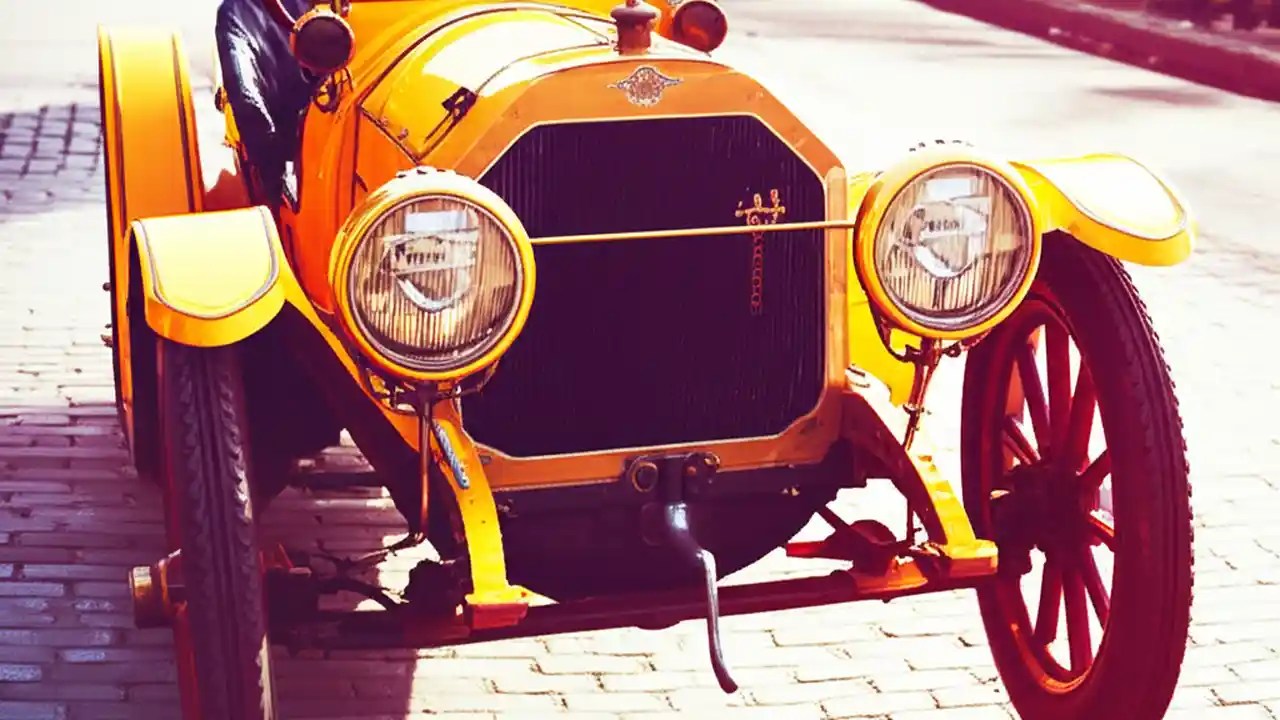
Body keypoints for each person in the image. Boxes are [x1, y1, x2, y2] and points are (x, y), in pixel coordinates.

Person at [215, 0, 321, 205]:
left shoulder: (235, 12)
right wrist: (273, 173)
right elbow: (249, 104)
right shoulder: (241, 13)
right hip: (294, 147)